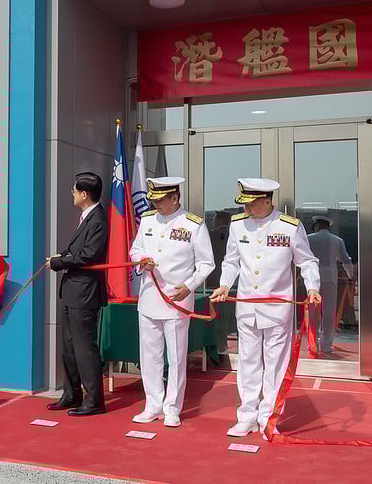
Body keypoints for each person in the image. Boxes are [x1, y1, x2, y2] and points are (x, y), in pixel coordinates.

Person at [210, 178, 321, 439]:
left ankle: (269, 417)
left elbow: (307, 261)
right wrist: (225, 284)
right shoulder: (238, 226)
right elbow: (231, 261)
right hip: (247, 308)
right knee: (247, 364)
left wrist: (313, 287)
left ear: (267, 201)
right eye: (244, 204)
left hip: (276, 309)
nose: (246, 209)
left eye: (251, 204)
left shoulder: (289, 227)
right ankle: (246, 416)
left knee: (274, 366)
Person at [129, 177, 214, 428]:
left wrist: (189, 286)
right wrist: (141, 259)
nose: (156, 205)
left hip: (177, 299)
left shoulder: (194, 224)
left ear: (175, 198)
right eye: (153, 200)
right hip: (149, 298)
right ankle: (152, 404)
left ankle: (173, 407)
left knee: (176, 358)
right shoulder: (146, 221)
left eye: (161, 200)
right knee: (150, 356)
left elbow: (207, 263)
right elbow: (134, 250)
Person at [46, 172, 109, 416]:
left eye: (74, 191)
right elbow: (76, 250)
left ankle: (94, 401)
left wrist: (60, 262)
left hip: (84, 293)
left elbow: (88, 255)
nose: (71, 195)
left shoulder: (98, 220)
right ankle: (72, 394)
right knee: (69, 348)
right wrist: (60, 257)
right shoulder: (87, 217)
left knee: (84, 348)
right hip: (72, 292)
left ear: (84, 194)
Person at [307, 216, 353, 355]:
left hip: (312, 277)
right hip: (330, 278)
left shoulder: (309, 238)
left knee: (312, 312)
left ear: (317, 225)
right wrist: (351, 275)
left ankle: (312, 343)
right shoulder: (337, 240)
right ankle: (326, 345)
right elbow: (345, 260)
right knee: (329, 313)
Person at [208, 211, 236, 353]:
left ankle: (218, 346)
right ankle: (221, 344)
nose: (213, 223)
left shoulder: (212, 236)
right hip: (226, 284)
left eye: (215, 220)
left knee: (218, 319)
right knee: (224, 320)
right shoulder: (230, 234)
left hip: (216, 283)